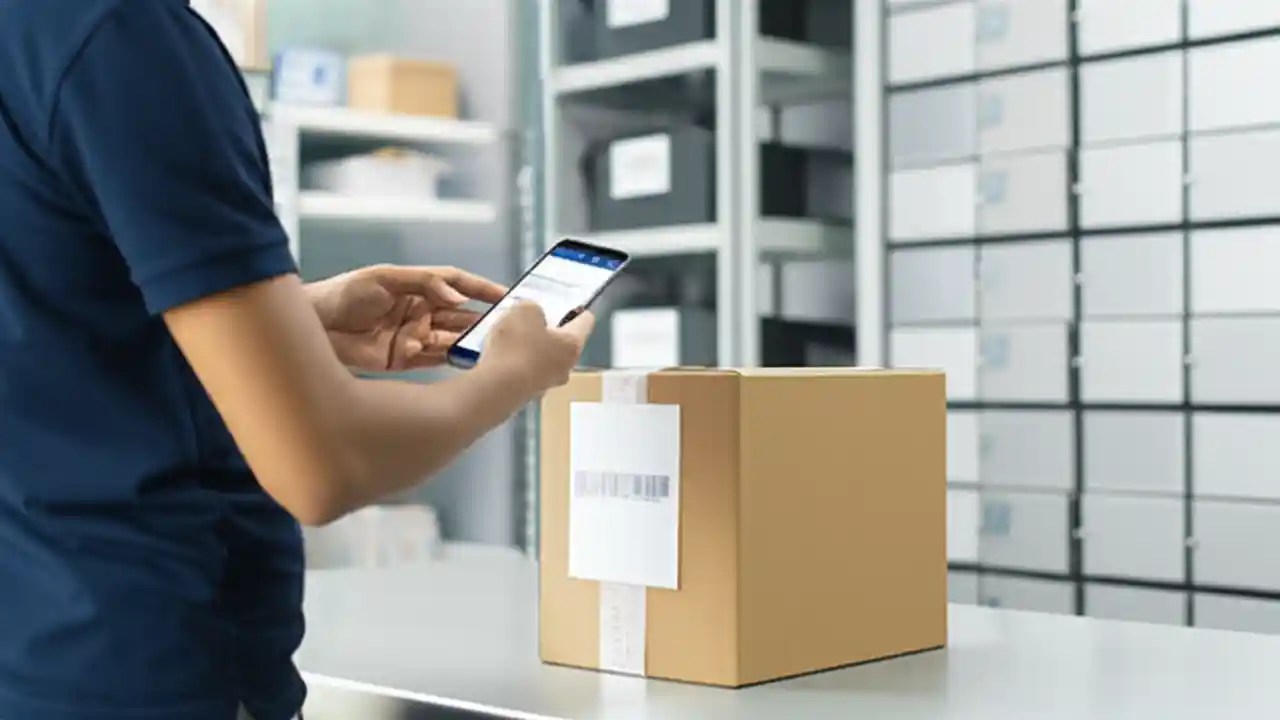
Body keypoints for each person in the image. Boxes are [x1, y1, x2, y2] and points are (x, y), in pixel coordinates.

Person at [0, 1, 593, 719]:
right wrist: (510, 376)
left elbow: (49, 332)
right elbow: (322, 464)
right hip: (152, 671)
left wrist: (284, 326)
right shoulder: (122, 37)